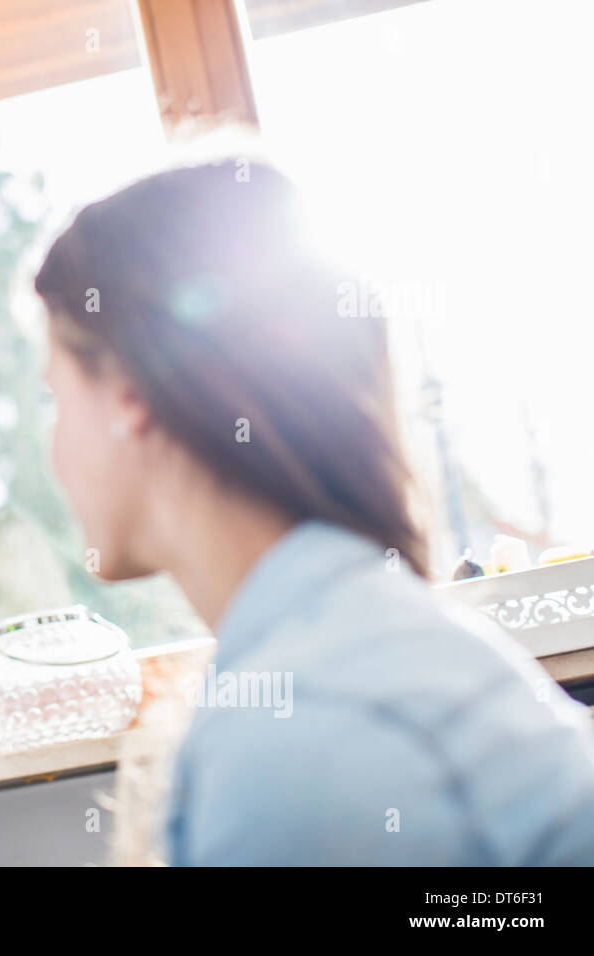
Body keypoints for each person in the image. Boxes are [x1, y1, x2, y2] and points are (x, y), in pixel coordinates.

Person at [31, 140, 594, 864]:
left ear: (131, 399)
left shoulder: (299, 735)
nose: (54, 453)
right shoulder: (358, 638)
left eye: (55, 395)